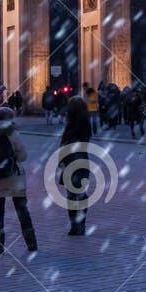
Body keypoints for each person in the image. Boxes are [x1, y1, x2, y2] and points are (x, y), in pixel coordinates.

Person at [0, 106, 37, 255]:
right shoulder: (12, 133)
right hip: (14, 175)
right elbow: (23, 155)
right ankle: (31, 242)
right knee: (22, 210)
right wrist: (13, 160)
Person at [58, 97, 94, 236]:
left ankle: (76, 224)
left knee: (73, 196)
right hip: (81, 162)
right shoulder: (84, 123)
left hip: (72, 163)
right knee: (78, 195)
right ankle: (79, 224)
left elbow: (67, 145)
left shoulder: (73, 125)